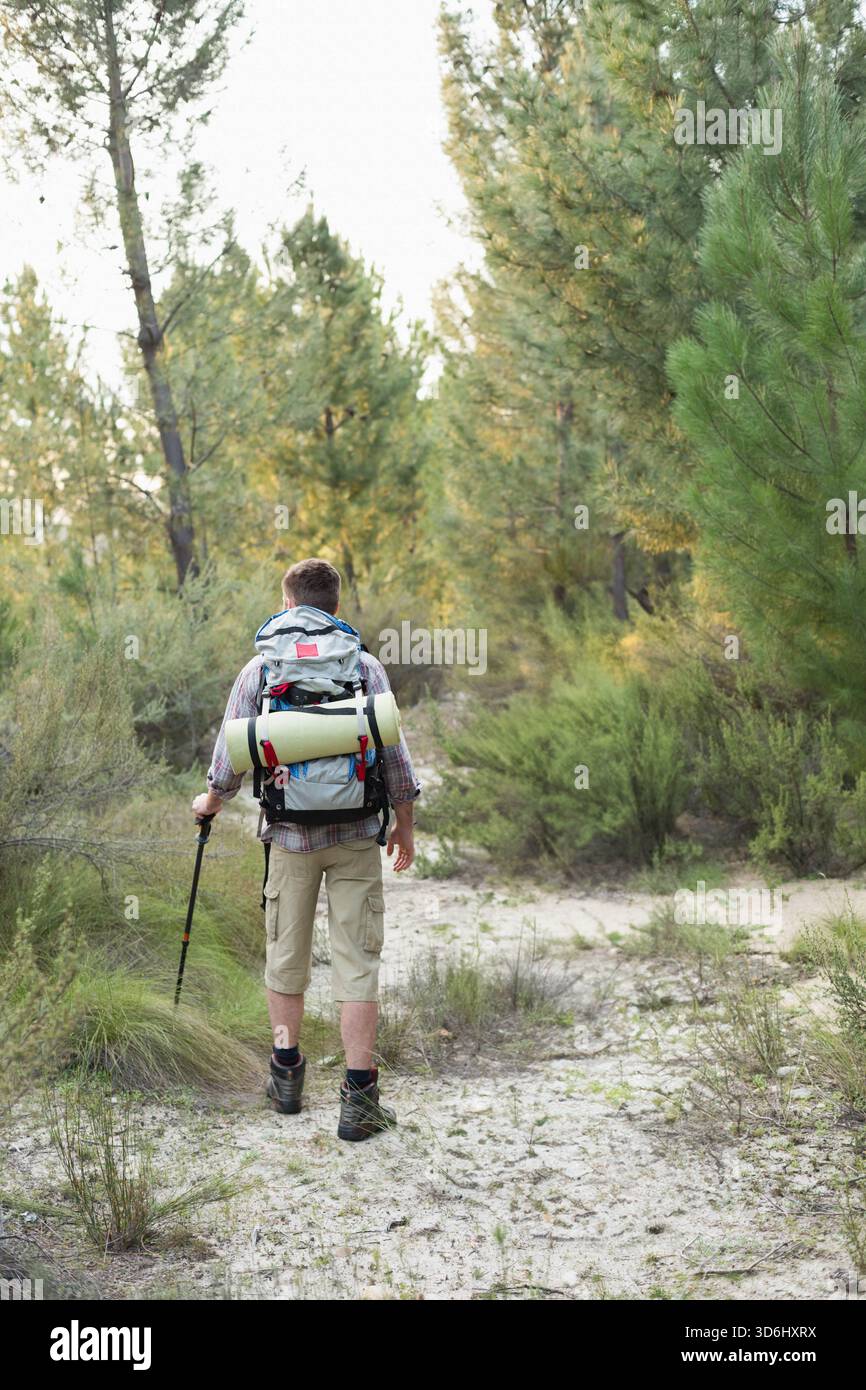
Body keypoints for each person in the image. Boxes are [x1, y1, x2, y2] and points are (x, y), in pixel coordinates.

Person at [192, 557, 420, 1140]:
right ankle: (359, 1100)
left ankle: (287, 1078)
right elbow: (394, 756)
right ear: (336, 606)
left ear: (288, 603)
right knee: (356, 962)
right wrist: (405, 824)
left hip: (289, 838)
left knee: (285, 957)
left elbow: (232, 752)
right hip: (354, 837)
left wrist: (211, 803)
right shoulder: (364, 666)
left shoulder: (261, 669)